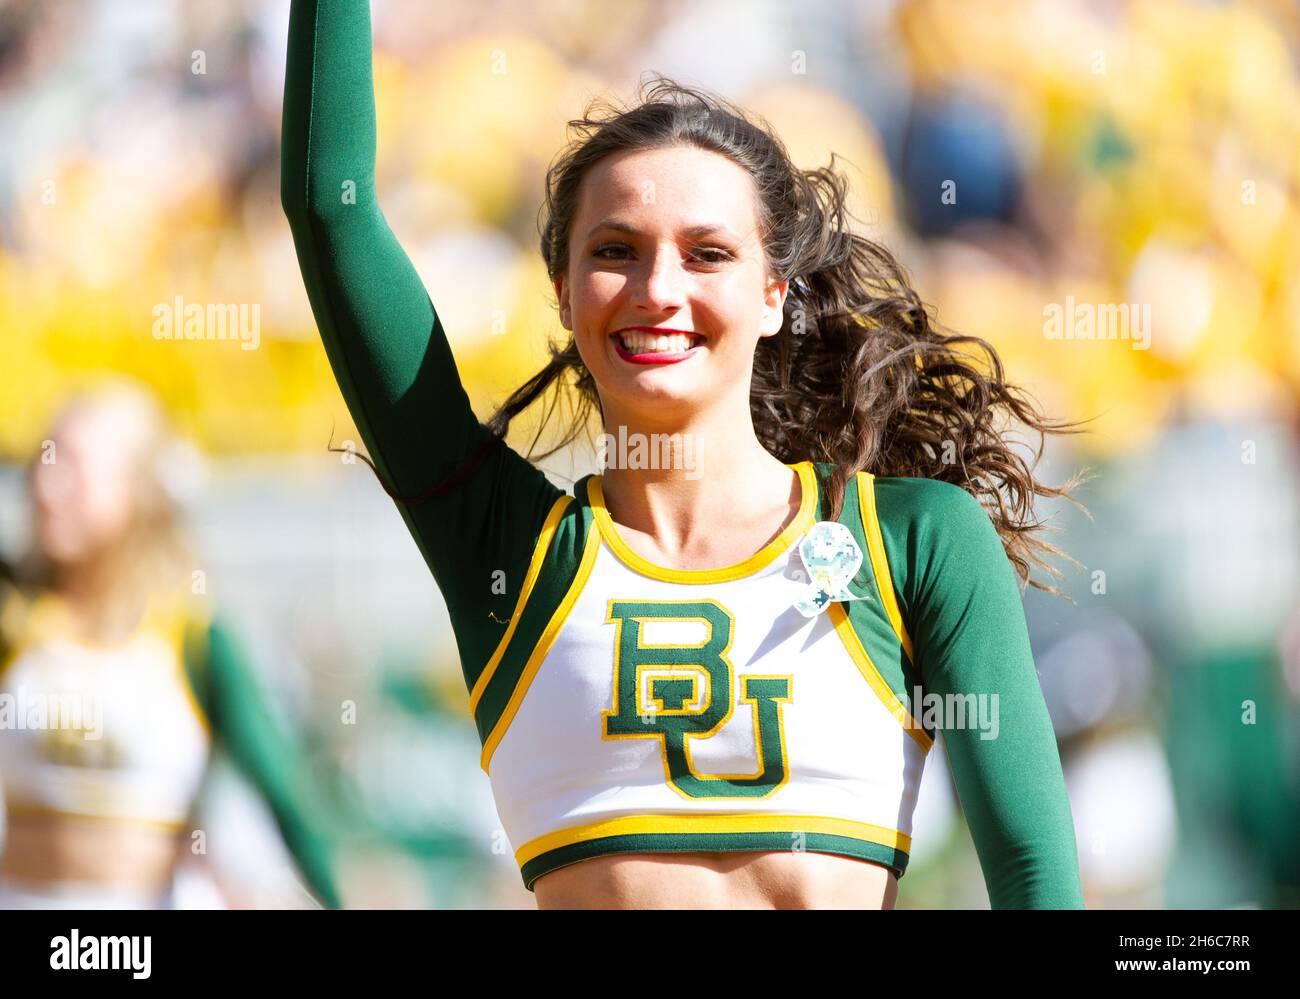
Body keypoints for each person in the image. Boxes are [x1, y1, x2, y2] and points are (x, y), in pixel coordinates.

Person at [281, 0, 1085, 909]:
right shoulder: (507, 550)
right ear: (562, 291)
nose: (658, 290)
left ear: (775, 292)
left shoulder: (916, 537)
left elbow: (1034, 876)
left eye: (707, 254)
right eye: (615, 250)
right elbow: (328, 206)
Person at [0, 381, 342, 909]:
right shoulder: (14, 617)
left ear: (137, 487)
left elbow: (287, 799)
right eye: (43, 461)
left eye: (71, 465)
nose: (47, 484)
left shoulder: (194, 638)